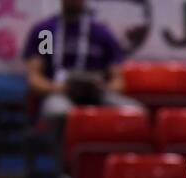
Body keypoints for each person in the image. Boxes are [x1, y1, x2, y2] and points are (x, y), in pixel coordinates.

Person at [22, 0, 138, 134]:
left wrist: (102, 87)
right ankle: (63, 153)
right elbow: (35, 77)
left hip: (97, 94)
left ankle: (115, 152)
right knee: (57, 112)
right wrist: (57, 87)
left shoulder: (100, 33)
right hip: (59, 91)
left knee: (133, 112)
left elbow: (118, 81)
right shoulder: (47, 33)